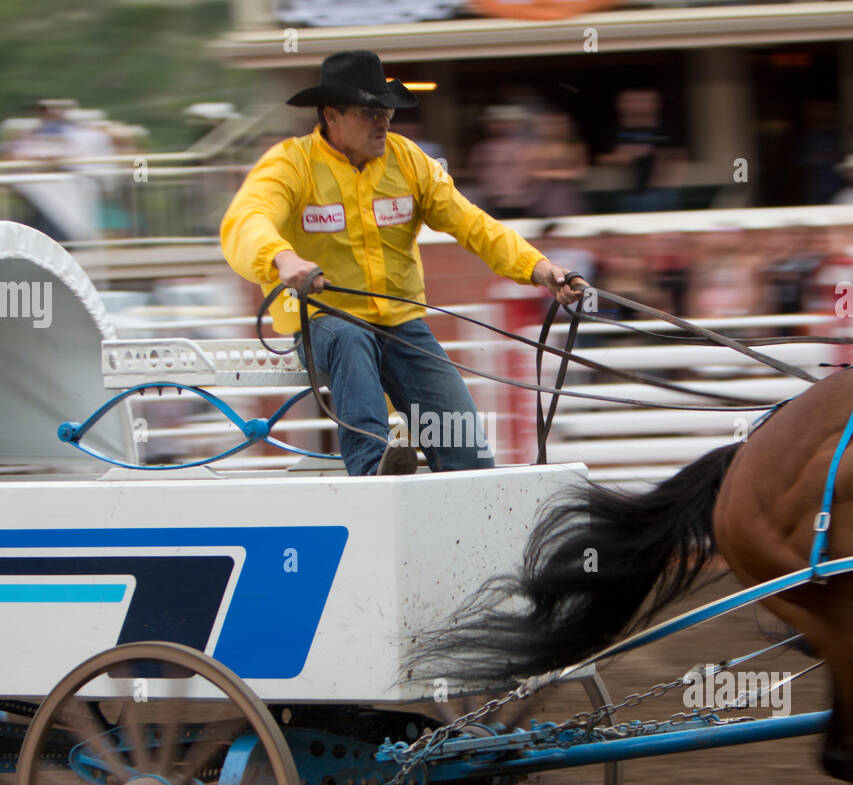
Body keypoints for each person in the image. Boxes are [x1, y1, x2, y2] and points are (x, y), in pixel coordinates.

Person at [220, 50, 583, 476]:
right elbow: (246, 221)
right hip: (321, 321)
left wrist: (539, 269)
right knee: (349, 336)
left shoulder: (409, 161)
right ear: (331, 115)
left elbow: (472, 223)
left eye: (386, 111)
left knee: (468, 454)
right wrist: (282, 258)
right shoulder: (290, 165)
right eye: (369, 112)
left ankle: (461, 494)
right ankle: (373, 465)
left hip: (401, 325)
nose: (383, 122)